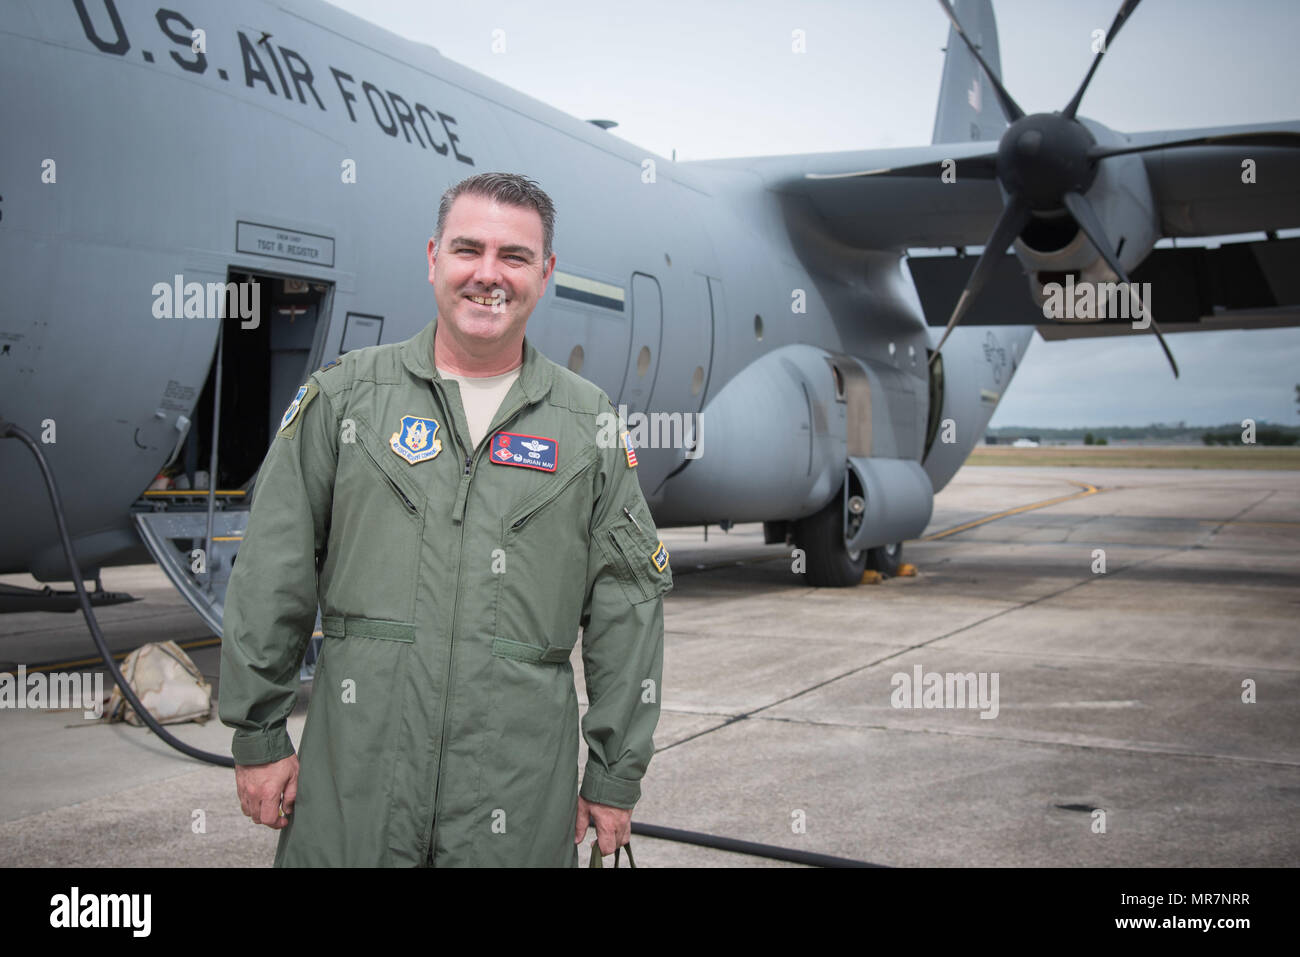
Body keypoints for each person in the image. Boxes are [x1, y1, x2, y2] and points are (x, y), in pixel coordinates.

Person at [218, 172, 671, 866]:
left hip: (515, 802)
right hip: (354, 794)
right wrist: (259, 735)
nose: (489, 275)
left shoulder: (590, 427)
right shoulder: (345, 401)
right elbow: (272, 573)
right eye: (468, 249)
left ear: (545, 272)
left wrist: (614, 776)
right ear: (434, 258)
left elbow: (627, 607)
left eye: (514, 256)